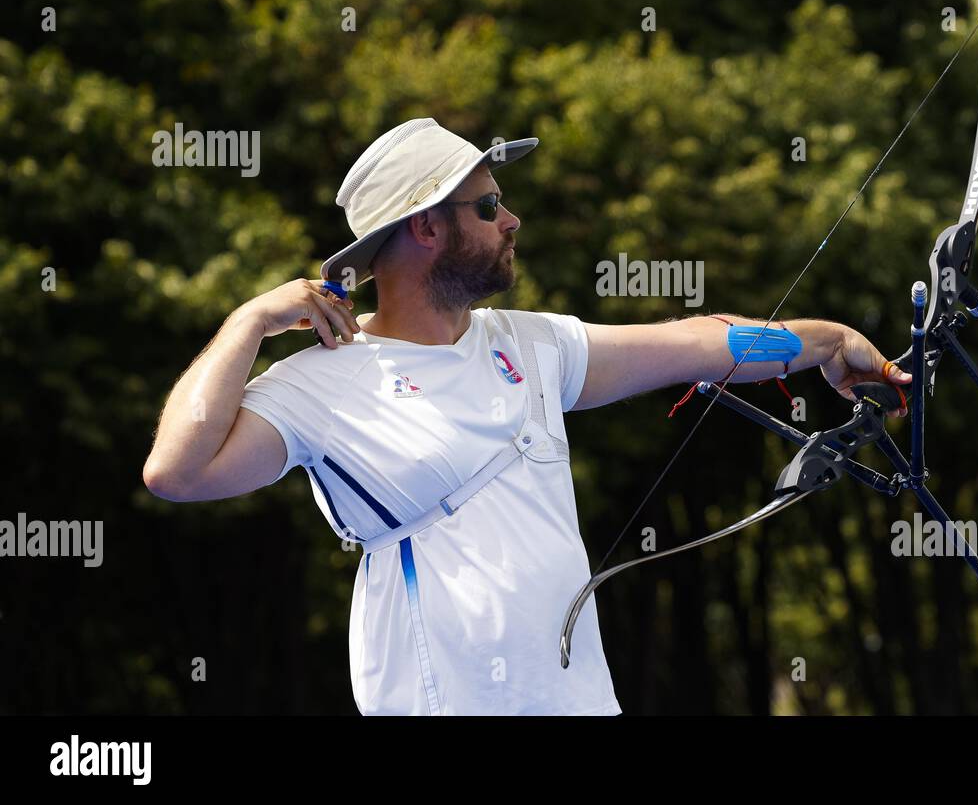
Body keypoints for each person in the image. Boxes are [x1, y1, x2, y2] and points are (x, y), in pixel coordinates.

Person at [142, 117, 909, 715]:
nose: (512, 219)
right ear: (425, 228)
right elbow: (176, 472)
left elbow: (700, 343)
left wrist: (828, 341)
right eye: (487, 205)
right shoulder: (319, 383)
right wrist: (247, 323)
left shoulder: (532, 342)